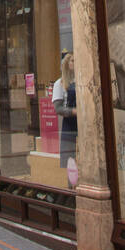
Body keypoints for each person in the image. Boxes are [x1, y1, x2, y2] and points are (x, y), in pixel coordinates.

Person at [51, 51, 77, 179]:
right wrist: (73, 111)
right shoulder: (59, 84)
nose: (75, 63)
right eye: (72, 61)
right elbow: (58, 108)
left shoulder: (80, 80)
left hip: (81, 125)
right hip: (69, 125)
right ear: (67, 64)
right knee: (71, 162)